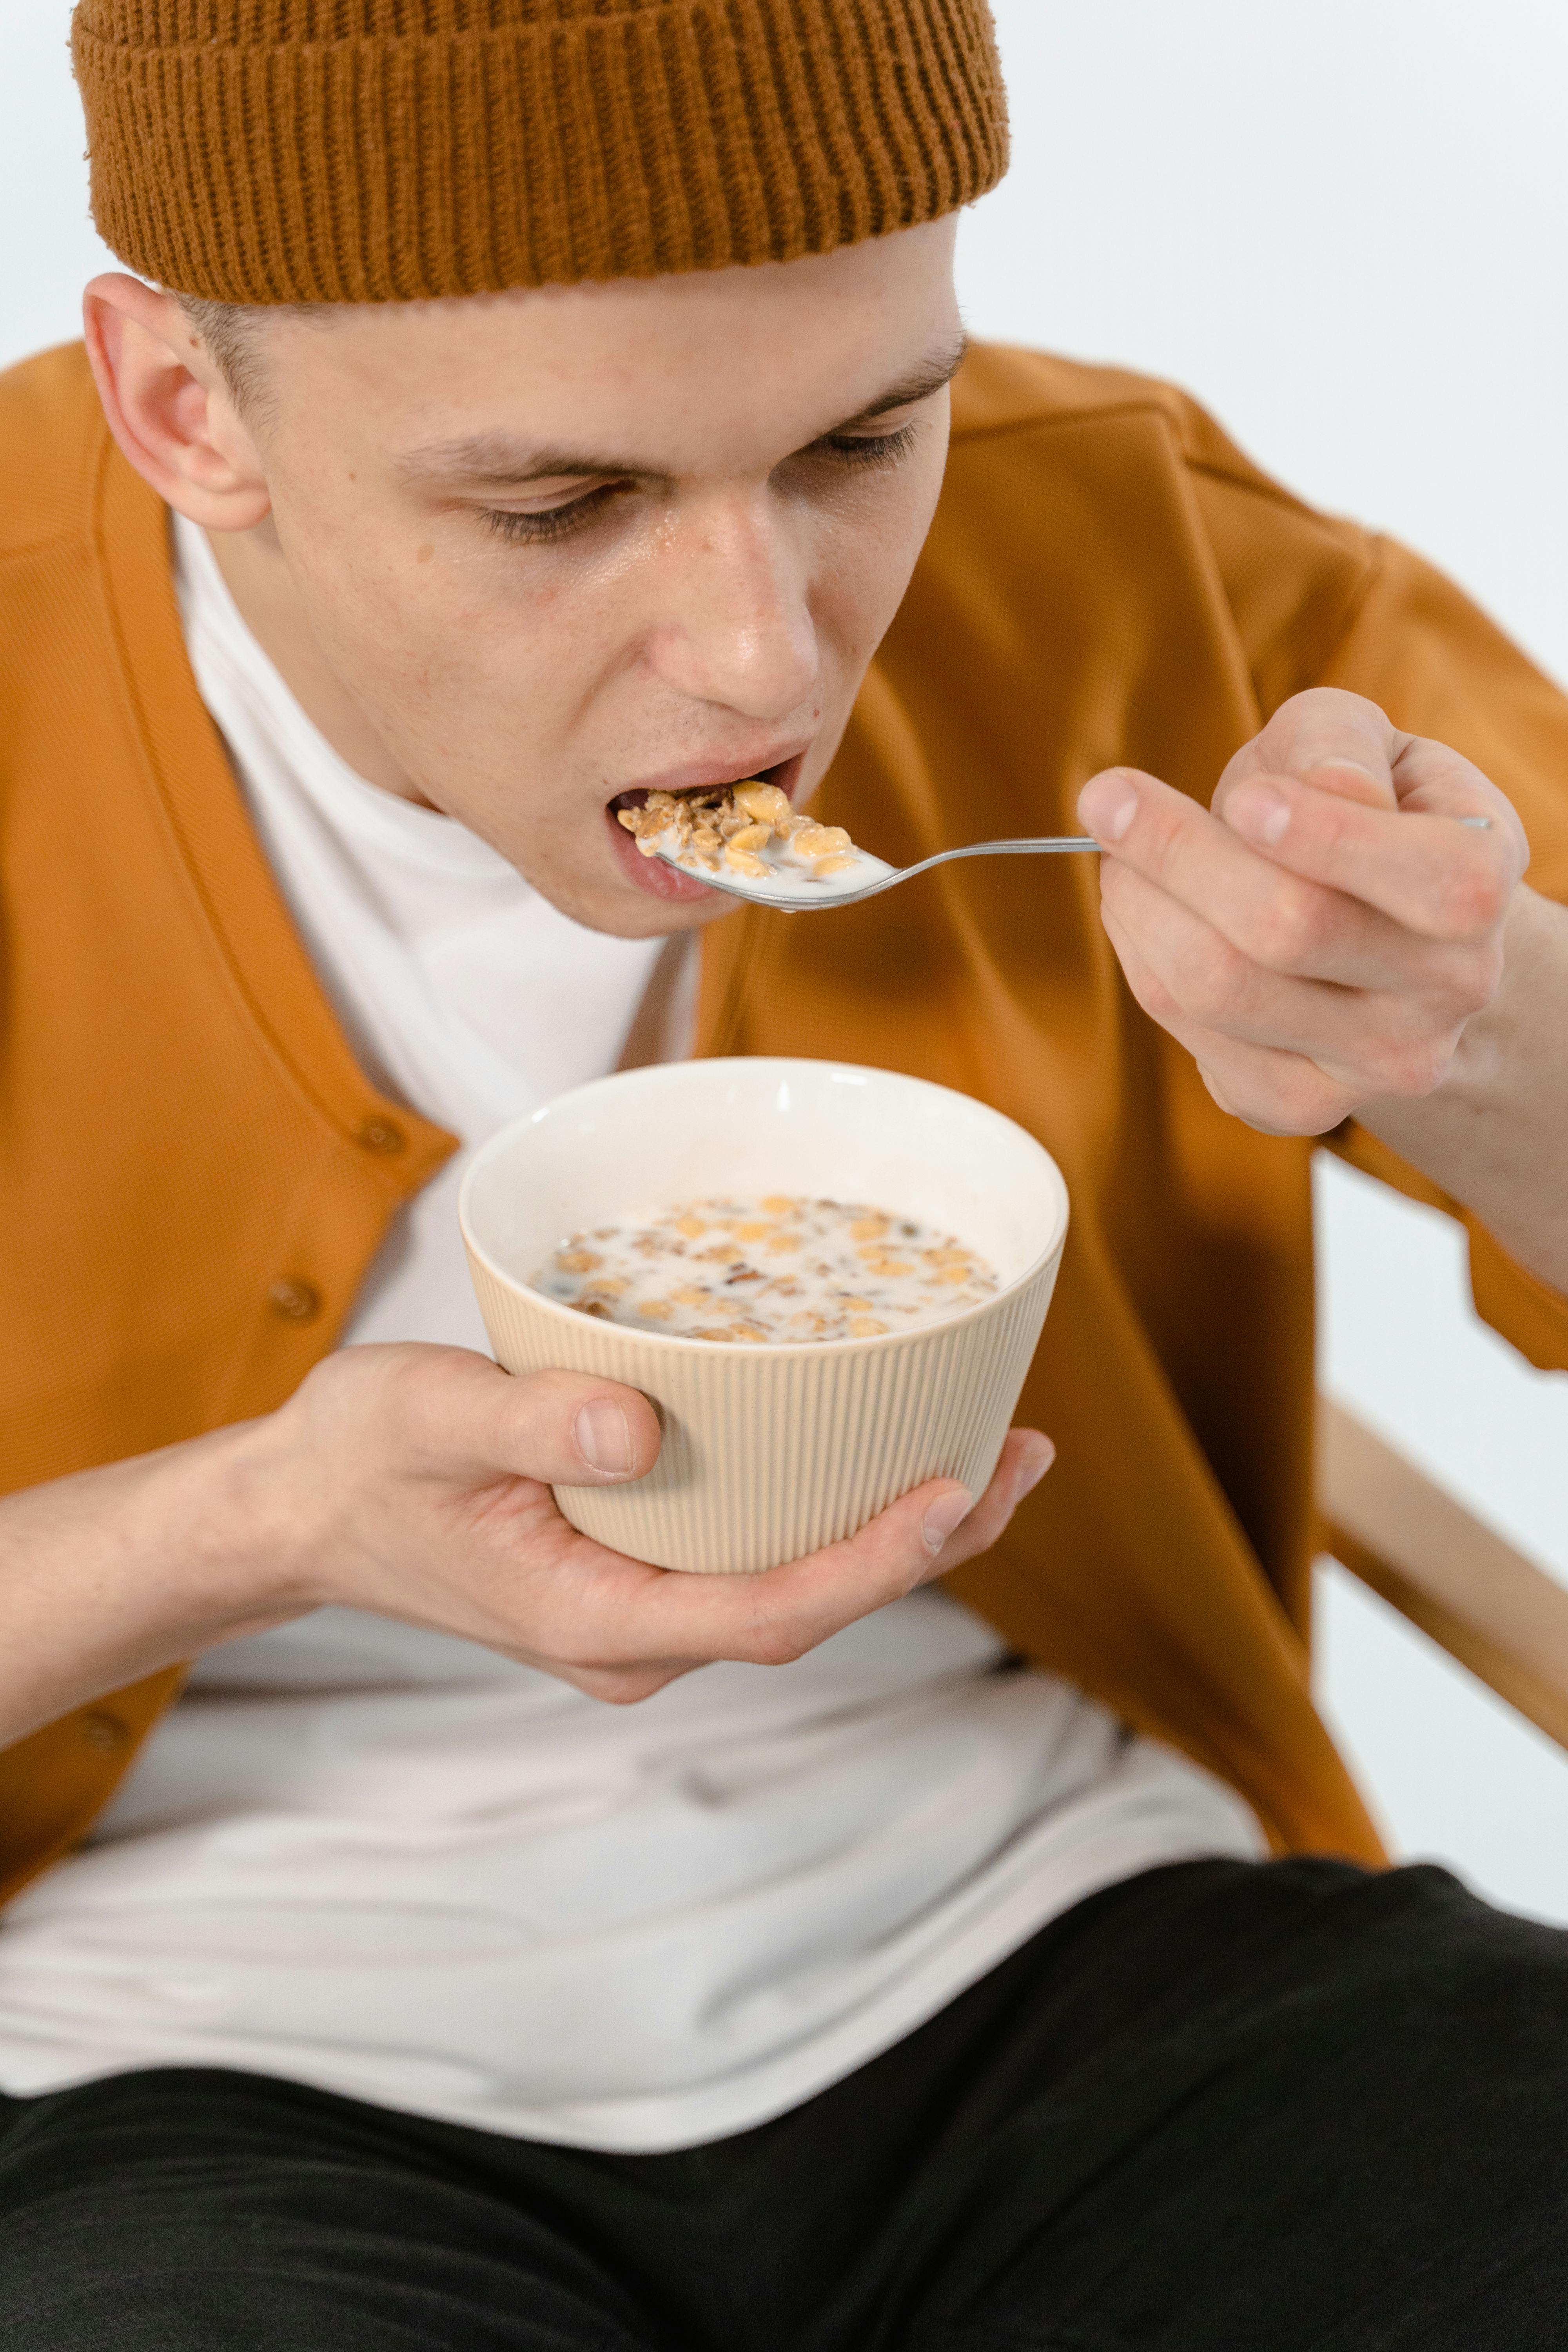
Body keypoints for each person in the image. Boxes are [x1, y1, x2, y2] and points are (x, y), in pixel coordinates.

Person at [3, 3, 1567, 2345]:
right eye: (560, 506)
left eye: (863, 437)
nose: (766, 654)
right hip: (168, 2065)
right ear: (184, 411)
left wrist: (1478, 1028)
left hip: (1082, 1955)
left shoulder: (1141, 556)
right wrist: (271, 1522)